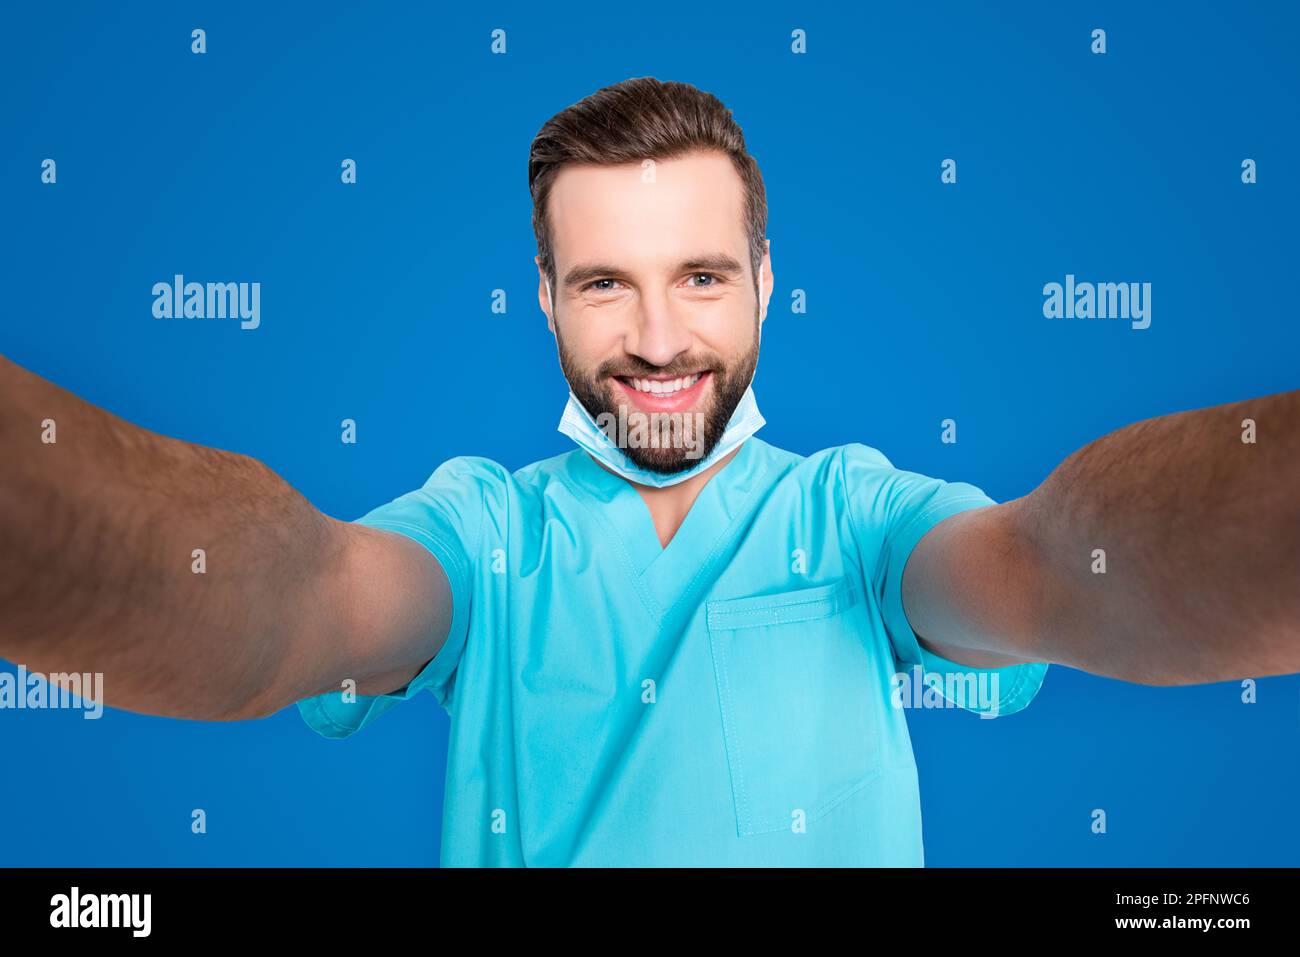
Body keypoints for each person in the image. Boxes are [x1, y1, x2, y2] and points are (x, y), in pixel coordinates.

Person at [1, 77, 1296, 867]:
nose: (661, 339)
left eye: (703, 277)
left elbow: (1054, 566)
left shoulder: (852, 514)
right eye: (605, 282)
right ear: (545, 302)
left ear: (769, 285)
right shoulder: (486, 533)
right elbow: (297, 601)